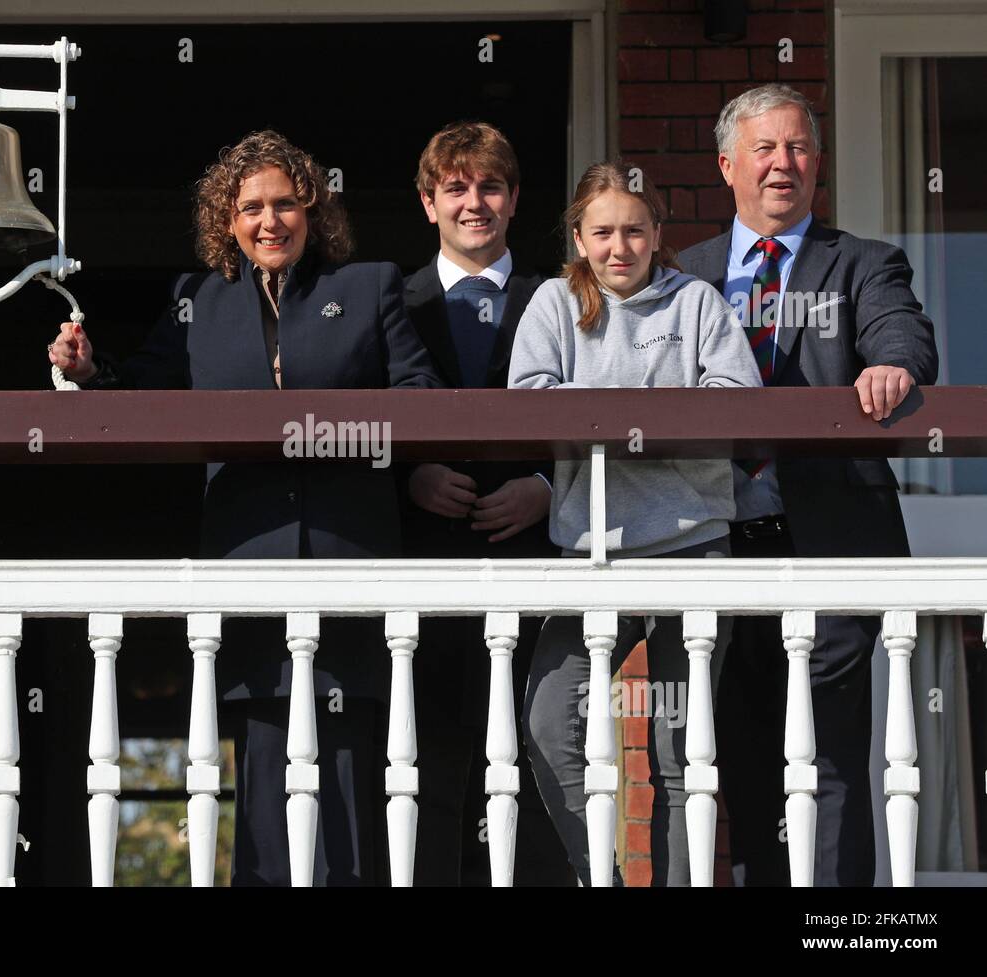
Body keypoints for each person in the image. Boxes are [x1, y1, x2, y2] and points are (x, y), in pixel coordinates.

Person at [49, 130, 442, 885]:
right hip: (248, 562)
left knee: (353, 767)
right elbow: (138, 398)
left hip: (349, 556)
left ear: (312, 208)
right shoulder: (196, 301)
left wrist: (364, 446)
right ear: (225, 222)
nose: (270, 221)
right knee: (266, 771)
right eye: (251, 207)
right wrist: (88, 370)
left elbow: (420, 397)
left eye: (286, 203)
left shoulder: (368, 286)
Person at [677, 83, 938, 886]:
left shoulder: (862, 262)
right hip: (712, 548)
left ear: (817, 164)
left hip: (829, 545)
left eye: (797, 148)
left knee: (829, 761)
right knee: (737, 764)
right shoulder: (678, 277)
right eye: (764, 148)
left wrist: (891, 362)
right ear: (728, 165)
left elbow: (901, 330)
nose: (782, 164)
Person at [509, 159, 762, 885]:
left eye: (634, 231)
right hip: (591, 550)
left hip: (694, 542)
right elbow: (530, 401)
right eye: (602, 233)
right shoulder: (554, 305)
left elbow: (734, 400)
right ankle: (606, 880)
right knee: (549, 726)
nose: (619, 247)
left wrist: (620, 416)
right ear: (579, 238)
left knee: (681, 747)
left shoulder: (698, 305)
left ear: (657, 234)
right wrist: (643, 410)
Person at [400, 120, 574, 885]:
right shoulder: (389, 303)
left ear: (514, 201)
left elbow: (596, 410)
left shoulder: (564, 298)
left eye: (492, 186)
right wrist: (408, 477)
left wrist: (545, 490)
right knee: (426, 759)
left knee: (535, 753)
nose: (476, 203)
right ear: (428, 202)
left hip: (535, 568)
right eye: (457, 188)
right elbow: (355, 425)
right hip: (419, 571)